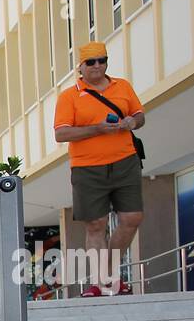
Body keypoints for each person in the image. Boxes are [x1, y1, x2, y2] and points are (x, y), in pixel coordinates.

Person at [53, 41, 146, 296]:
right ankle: (102, 282)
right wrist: (97, 129)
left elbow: (140, 115)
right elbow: (61, 134)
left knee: (132, 218)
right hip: (87, 167)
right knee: (96, 224)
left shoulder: (122, 86)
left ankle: (108, 274)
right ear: (80, 67)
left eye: (102, 60)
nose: (97, 66)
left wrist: (132, 122)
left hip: (125, 160)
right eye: (91, 62)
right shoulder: (69, 96)